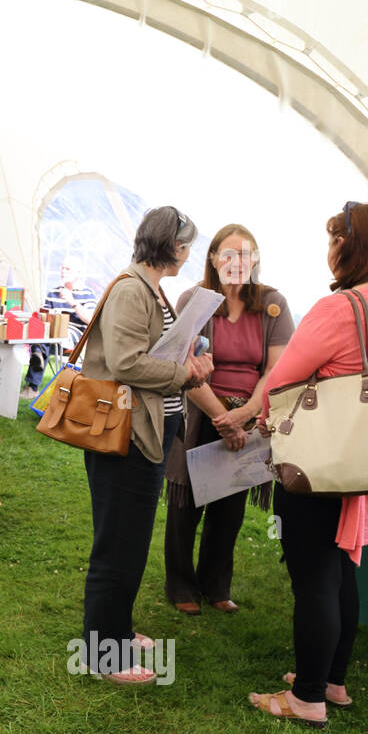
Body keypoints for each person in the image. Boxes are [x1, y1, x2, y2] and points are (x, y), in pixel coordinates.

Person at [248, 202, 368, 727]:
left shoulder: (341, 307)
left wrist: (257, 417)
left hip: (322, 460)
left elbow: (281, 382)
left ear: (351, 246)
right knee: (343, 567)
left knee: (315, 577)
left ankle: (306, 698)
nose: (329, 251)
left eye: (333, 240)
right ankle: (332, 681)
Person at [77, 206, 214, 684]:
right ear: (173, 246)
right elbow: (127, 363)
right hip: (127, 436)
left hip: (149, 432)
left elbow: (154, 351)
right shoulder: (135, 290)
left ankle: (119, 628)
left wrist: (192, 355)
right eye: (187, 245)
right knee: (117, 544)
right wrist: (184, 373)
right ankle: (102, 653)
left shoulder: (152, 289)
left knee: (130, 541)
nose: (189, 253)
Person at [163, 225, 294, 615]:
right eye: (229, 254)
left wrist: (248, 413)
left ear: (255, 260)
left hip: (249, 413)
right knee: (186, 502)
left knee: (230, 503)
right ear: (213, 258)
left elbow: (276, 369)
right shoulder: (195, 300)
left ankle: (216, 583)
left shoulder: (272, 303)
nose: (238, 262)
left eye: (246, 254)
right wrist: (222, 416)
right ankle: (180, 584)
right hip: (200, 409)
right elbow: (181, 362)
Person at [23, 255, 97, 397]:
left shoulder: (88, 293)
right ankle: (37, 353)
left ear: (79, 273)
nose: (63, 271)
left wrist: (72, 301)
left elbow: (90, 319)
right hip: (51, 333)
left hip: (74, 335)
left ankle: (32, 384)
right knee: (40, 330)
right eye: (62, 268)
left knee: (44, 338)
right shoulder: (53, 292)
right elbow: (43, 316)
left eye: (68, 269)